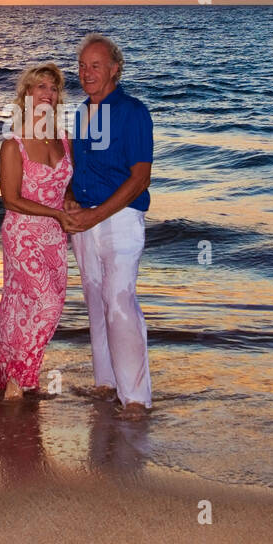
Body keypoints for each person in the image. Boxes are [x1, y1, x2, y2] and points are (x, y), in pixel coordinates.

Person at [64, 33, 154, 419]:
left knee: (120, 303)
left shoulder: (134, 112)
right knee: (96, 303)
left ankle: (135, 399)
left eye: (95, 65)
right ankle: (106, 384)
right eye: (82, 66)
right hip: (85, 221)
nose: (86, 73)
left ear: (115, 69)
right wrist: (69, 196)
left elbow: (140, 179)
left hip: (120, 220)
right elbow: (78, 169)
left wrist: (95, 215)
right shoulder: (82, 113)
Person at [0, 63, 78, 400]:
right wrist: (55, 212)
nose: (47, 94)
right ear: (26, 94)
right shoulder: (14, 145)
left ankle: (14, 379)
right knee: (45, 303)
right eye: (40, 87)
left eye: (53, 89)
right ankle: (17, 381)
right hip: (22, 234)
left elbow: (66, 187)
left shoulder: (64, 140)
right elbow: (11, 200)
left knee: (23, 308)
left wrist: (68, 203)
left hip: (55, 238)